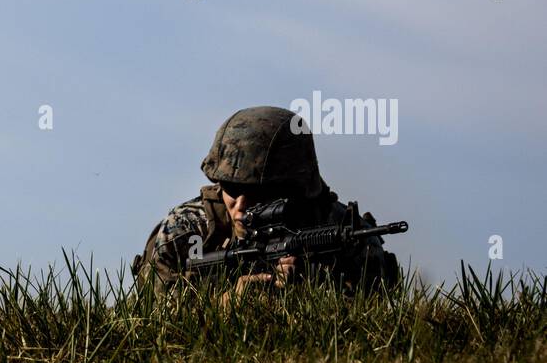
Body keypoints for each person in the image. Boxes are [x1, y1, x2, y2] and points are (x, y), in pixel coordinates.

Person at [132, 106, 401, 292]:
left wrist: (313, 288)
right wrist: (224, 308)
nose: (241, 207)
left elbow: (372, 316)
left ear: (296, 189)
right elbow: (155, 321)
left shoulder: (344, 233)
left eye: (260, 196)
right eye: (232, 190)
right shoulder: (186, 232)